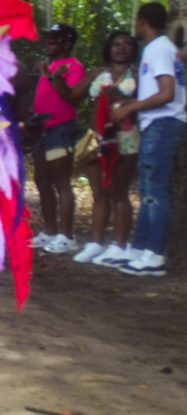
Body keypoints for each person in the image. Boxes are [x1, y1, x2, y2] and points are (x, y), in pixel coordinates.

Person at [113, 2, 183, 276]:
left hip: (163, 123)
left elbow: (167, 93)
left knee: (155, 191)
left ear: (142, 21)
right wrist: (130, 103)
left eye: (136, 20)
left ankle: (154, 254)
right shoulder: (157, 48)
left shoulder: (160, 48)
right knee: (146, 190)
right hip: (155, 123)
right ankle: (140, 248)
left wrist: (130, 108)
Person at [76, 29, 141, 266]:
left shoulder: (138, 75)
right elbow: (72, 95)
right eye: (116, 44)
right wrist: (53, 77)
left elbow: (148, 102)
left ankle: (120, 245)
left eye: (127, 44)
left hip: (125, 138)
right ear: (108, 48)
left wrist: (120, 98)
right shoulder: (98, 73)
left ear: (134, 50)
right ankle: (96, 243)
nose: (121, 48)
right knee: (99, 193)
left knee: (119, 193)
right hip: (97, 137)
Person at [28, 23, 85, 254]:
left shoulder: (73, 66)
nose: (48, 44)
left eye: (53, 40)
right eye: (47, 39)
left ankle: (67, 236)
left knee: (62, 181)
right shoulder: (51, 67)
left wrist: (50, 75)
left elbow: (71, 97)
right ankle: (50, 232)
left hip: (61, 127)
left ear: (67, 44)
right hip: (42, 128)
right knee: (42, 181)